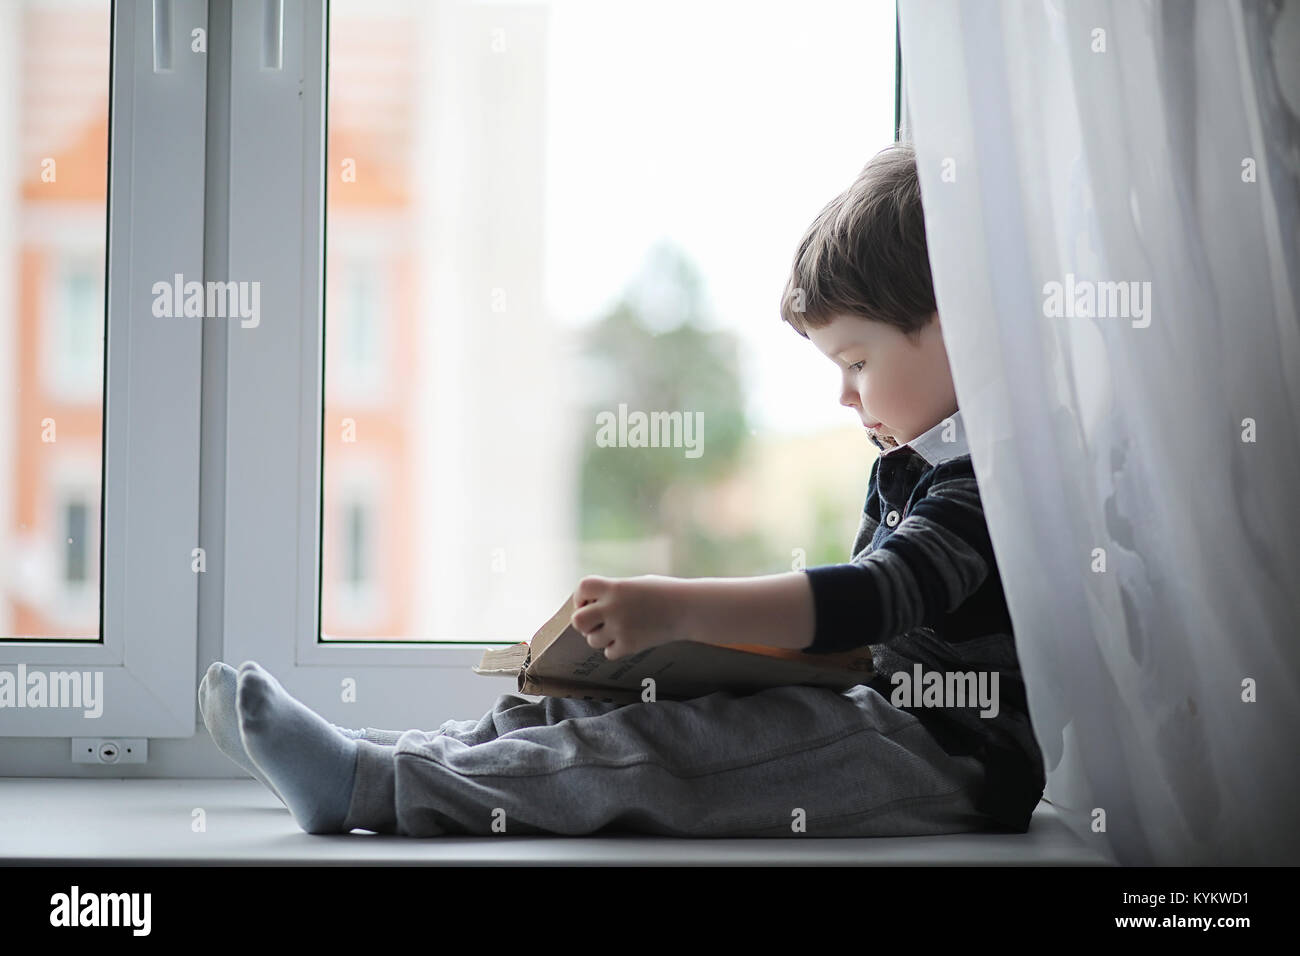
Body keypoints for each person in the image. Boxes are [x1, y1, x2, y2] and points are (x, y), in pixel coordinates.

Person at [198, 142, 1046, 837]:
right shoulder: (912, 466)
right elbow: (857, 634)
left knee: (666, 751)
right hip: (877, 706)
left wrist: (681, 611)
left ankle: (374, 789)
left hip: (942, 754)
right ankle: (383, 756)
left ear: (955, 326)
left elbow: (871, 598)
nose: (846, 397)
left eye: (858, 364)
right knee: (602, 703)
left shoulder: (984, 489)